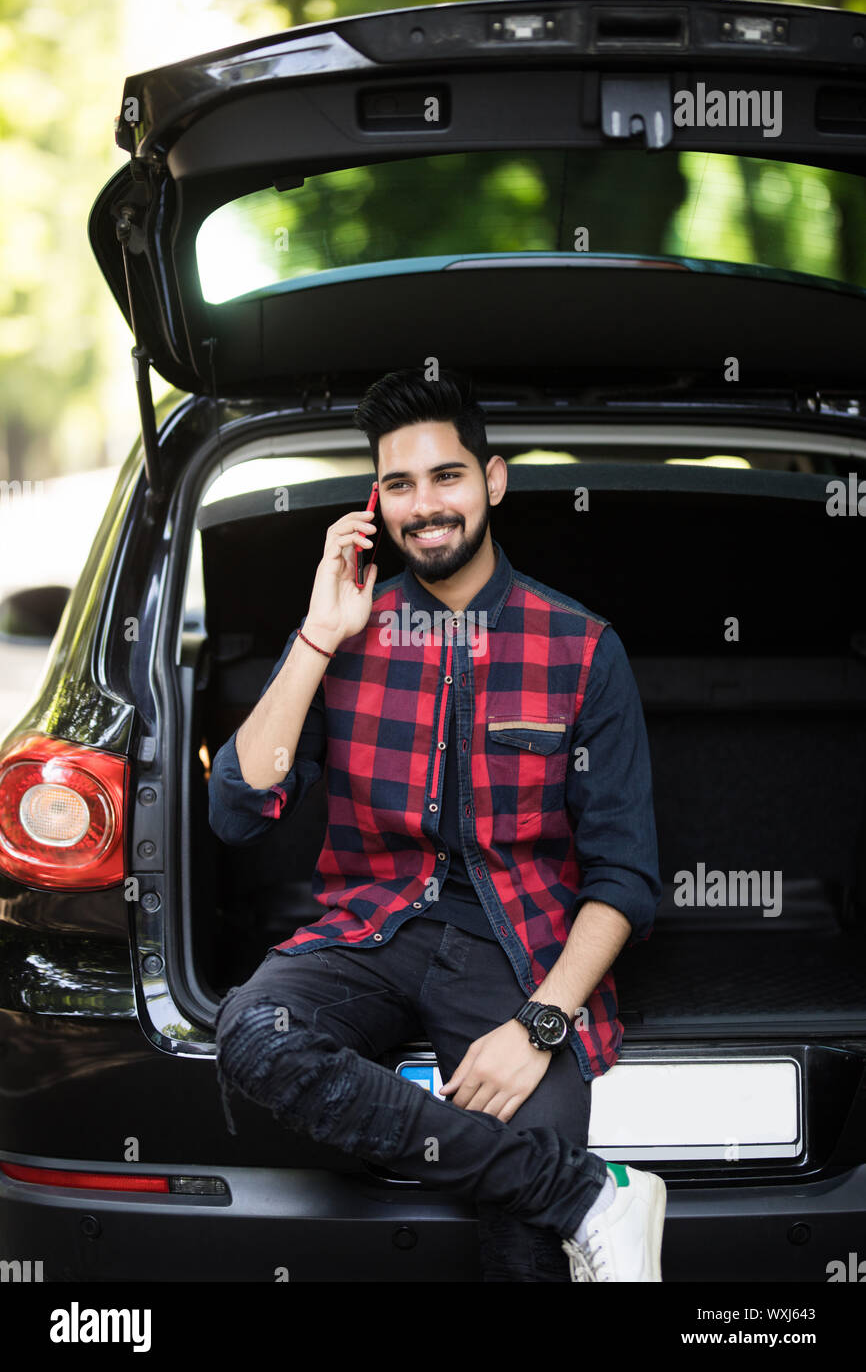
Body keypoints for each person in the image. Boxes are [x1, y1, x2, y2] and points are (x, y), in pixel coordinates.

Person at [209, 366, 666, 1282]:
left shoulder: (581, 647)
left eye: (447, 477)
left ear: (493, 481)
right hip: (374, 927)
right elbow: (235, 810)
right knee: (251, 1032)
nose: (426, 506)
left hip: (520, 949)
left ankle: (549, 1198)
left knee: (519, 1238)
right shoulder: (349, 634)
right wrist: (315, 635)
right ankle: (591, 1197)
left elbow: (625, 880)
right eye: (401, 485)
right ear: (378, 500)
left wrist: (540, 1023)